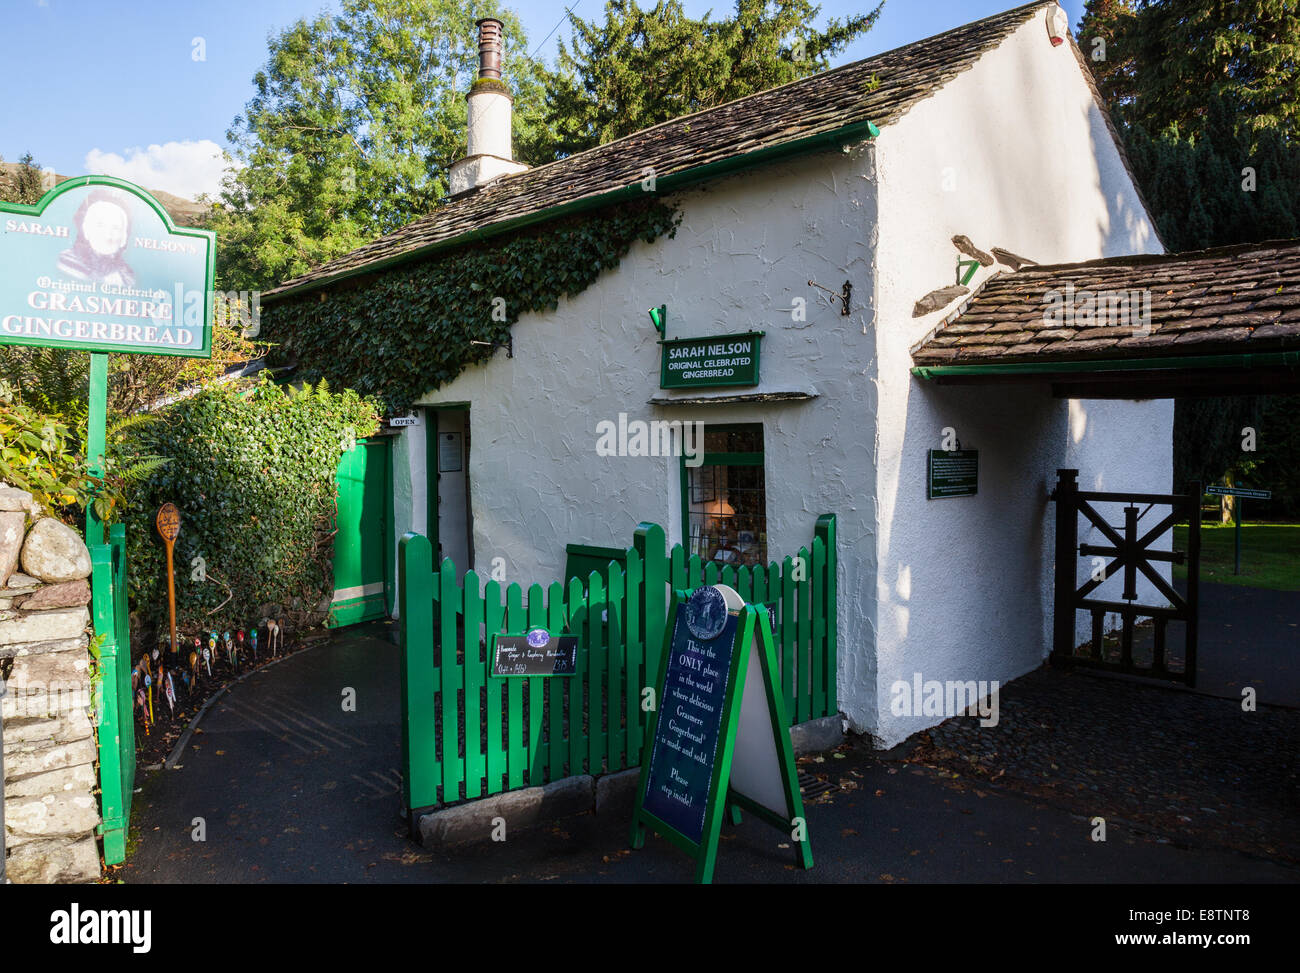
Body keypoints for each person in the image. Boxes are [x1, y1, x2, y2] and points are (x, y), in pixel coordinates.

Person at [57, 190, 135, 287]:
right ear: (86, 230)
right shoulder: (65, 263)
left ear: (123, 238)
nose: (108, 235)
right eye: (100, 225)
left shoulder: (128, 277)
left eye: (116, 228)